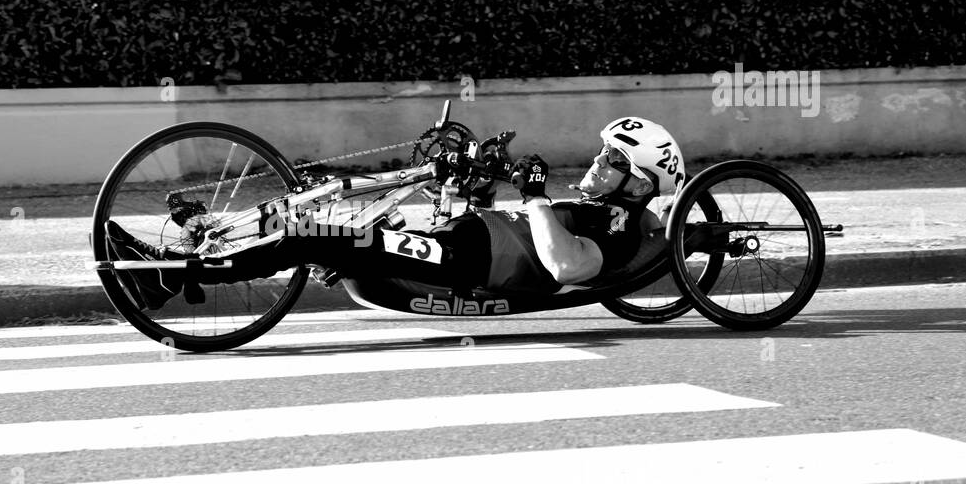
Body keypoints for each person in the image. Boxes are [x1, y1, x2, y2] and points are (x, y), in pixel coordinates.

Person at [103, 117, 686, 310]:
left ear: (638, 182)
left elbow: (564, 267)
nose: (595, 162)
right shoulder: (594, 208)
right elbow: (502, 225)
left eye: (612, 160)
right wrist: (478, 182)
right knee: (324, 202)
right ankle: (201, 241)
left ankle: (166, 278)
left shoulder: (619, 228)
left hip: (462, 262)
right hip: (456, 240)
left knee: (317, 231)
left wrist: (532, 194)